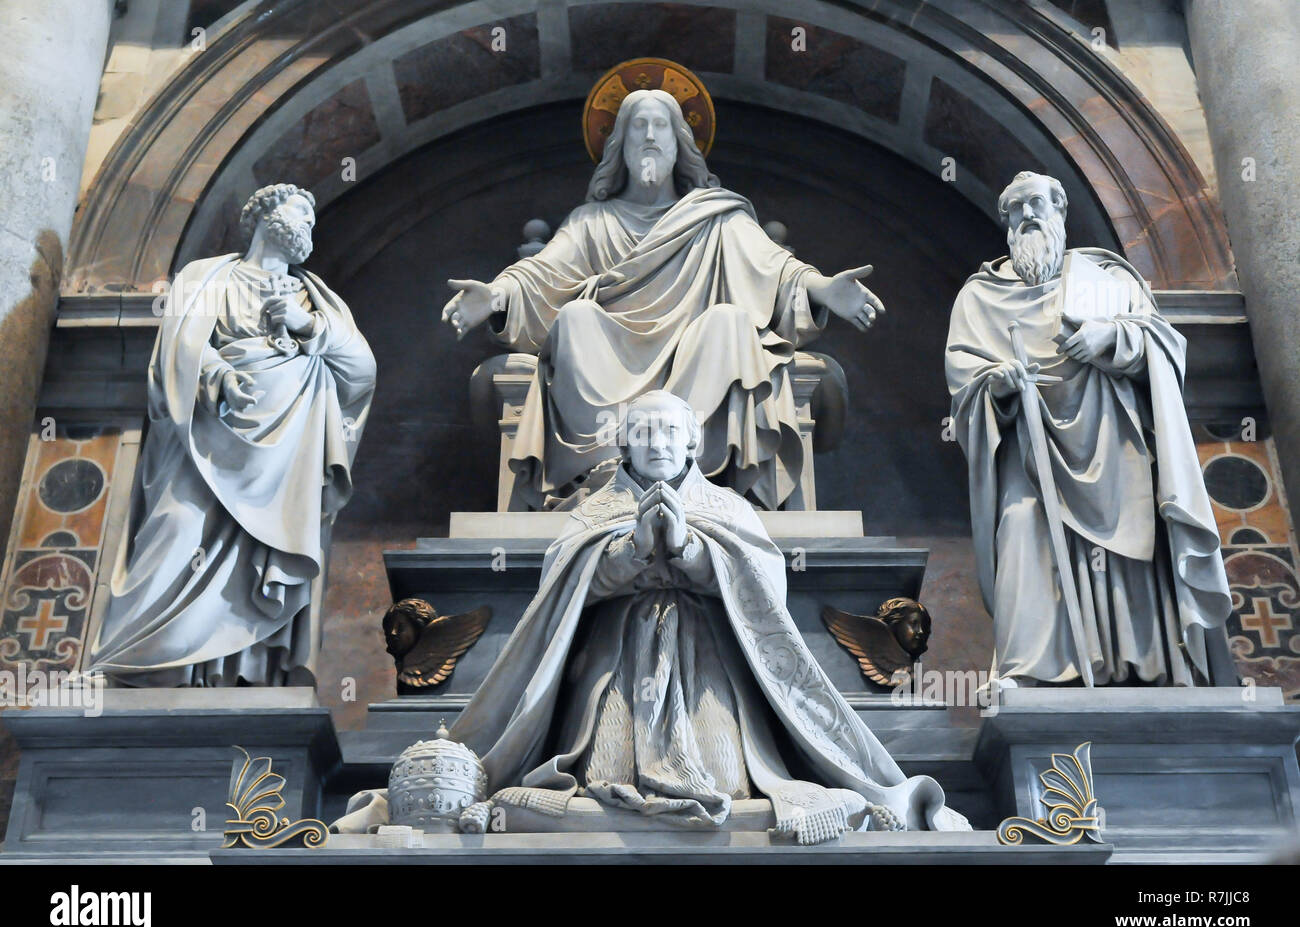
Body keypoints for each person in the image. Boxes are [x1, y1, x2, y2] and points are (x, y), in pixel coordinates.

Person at [448, 391, 968, 840]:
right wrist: (628, 552)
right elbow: (559, 589)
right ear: (623, 443)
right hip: (613, 666)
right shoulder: (590, 512)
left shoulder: (729, 508)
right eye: (643, 432)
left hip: (711, 666)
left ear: (692, 441)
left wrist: (691, 549)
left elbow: (767, 585)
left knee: (725, 780)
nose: (658, 442)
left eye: (670, 430)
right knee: (604, 775)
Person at [441, 89, 884, 510]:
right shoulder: (592, 221)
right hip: (609, 357)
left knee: (729, 320)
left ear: (680, 143)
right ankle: (605, 470)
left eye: (661, 126)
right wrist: (497, 296)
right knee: (575, 316)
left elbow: (774, 267)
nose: (650, 136)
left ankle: (696, 471)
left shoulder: (716, 216)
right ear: (620, 144)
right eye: (638, 127)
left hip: (698, 356)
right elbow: (542, 273)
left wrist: (822, 289)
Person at [945, 171, 1231, 686]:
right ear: (1006, 222)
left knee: (1130, 537)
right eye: (1016, 209)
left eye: (1038, 204)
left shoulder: (1108, 280)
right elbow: (965, 379)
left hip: (1111, 439)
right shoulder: (979, 298)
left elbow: (1163, 347)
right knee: (1022, 534)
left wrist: (1110, 337)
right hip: (1027, 451)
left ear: (1060, 211)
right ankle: (1032, 670)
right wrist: (1000, 384)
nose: (1028, 215)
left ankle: (1145, 666)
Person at [87, 184, 376, 686]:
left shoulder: (316, 298)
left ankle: (244, 674)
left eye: (313, 218)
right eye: (300, 212)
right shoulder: (207, 277)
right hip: (203, 440)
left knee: (258, 558)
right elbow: (175, 350)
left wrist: (306, 326)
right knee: (176, 527)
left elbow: (362, 371)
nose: (309, 225)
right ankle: (144, 666)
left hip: (285, 459)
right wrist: (216, 373)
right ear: (264, 213)